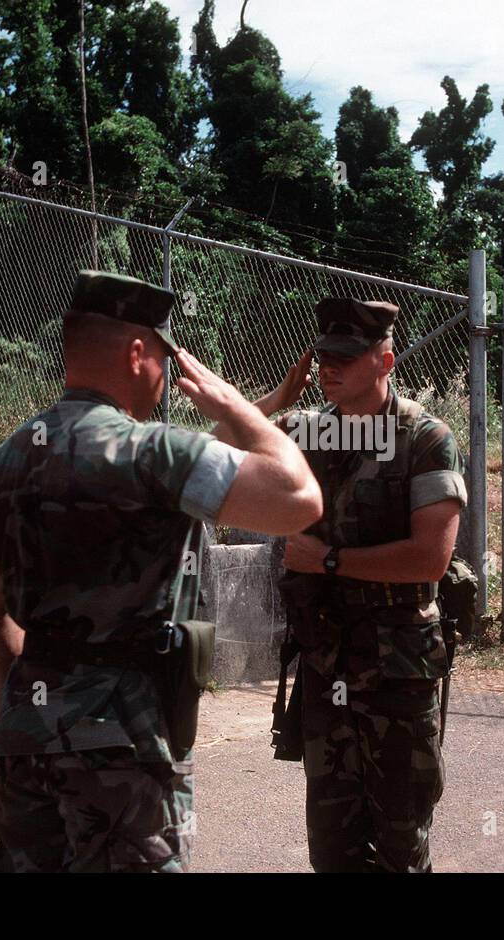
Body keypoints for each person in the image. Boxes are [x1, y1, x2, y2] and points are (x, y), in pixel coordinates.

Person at [0, 270, 322, 872]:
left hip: (24, 742)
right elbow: (298, 496)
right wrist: (234, 402)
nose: (166, 378)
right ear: (136, 354)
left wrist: (32, 714)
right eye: (163, 358)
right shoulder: (154, 452)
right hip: (127, 740)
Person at [213, 297, 467, 872]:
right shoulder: (306, 434)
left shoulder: (425, 439)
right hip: (326, 669)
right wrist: (280, 397)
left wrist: (330, 561)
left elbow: (430, 557)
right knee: (332, 850)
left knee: (401, 846)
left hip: (396, 675)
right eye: (323, 356)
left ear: (385, 361)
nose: (330, 369)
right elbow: (214, 453)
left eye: (346, 358)